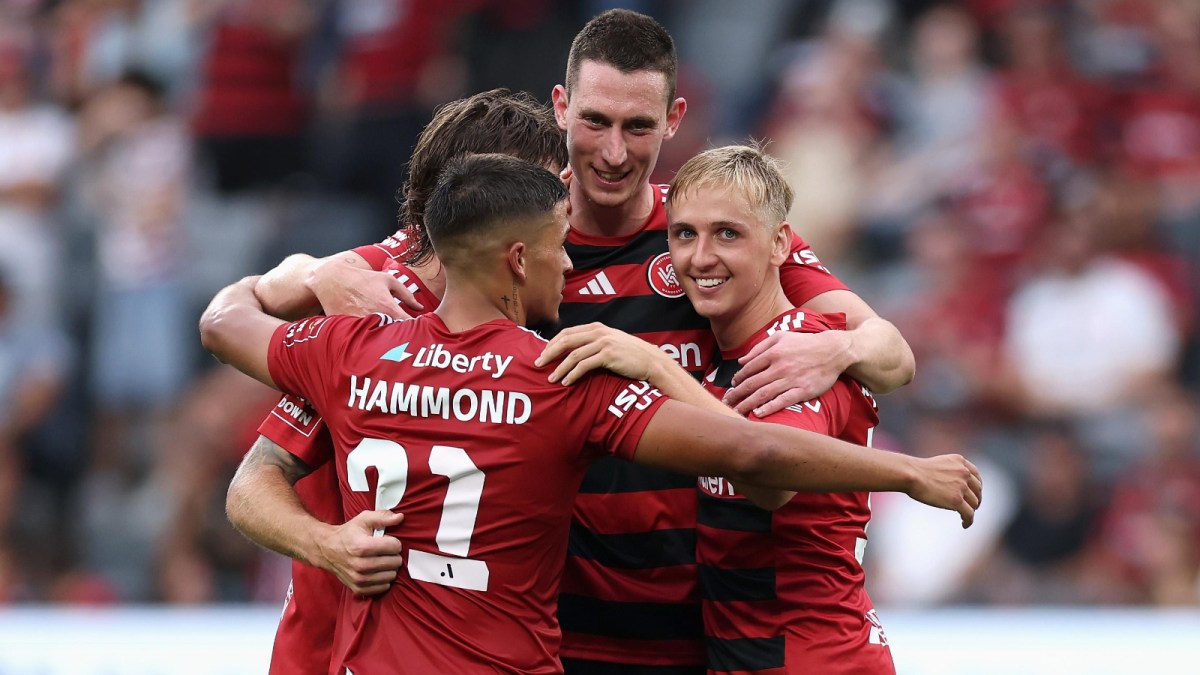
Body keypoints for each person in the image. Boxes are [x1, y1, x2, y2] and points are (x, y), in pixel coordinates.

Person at [199, 153, 982, 674]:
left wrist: (303, 269)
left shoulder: (352, 348)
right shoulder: (554, 379)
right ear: (516, 256)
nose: (572, 261)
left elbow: (226, 325)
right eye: (556, 243)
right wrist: (909, 472)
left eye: (724, 235)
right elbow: (760, 461)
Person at [545, 10, 914, 672]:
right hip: (572, 636)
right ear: (561, 107)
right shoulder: (519, 246)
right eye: (596, 121)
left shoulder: (715, 227)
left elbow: (891, 353)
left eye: (639, 127)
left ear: (674, 118)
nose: (613, 151)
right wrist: (315, 270)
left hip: (710, 636)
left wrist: (842, 347)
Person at [246, 88, 569, 675]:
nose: (557, 213)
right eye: (540, 191)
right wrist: (328, 546)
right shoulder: (370, 304)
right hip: (333, 651)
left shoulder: (528, 297)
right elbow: (252, 481)